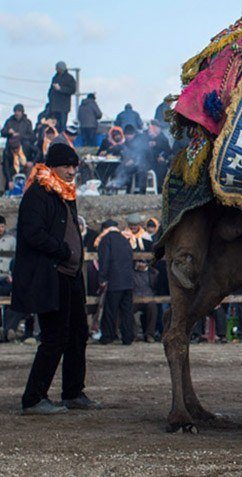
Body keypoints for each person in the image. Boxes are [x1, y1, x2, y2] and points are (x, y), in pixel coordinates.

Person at [13, 143, 101, 414]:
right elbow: (32, 233)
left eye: (74, 166)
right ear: (53, 166)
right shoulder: (38, 193)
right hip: (52, 275)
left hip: (70, 276)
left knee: (78, 334)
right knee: (54, 336)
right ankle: (33, 398)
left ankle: (73, 392)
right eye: (66, 166)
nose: (72, 171)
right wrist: (62, 250)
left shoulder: (65, 193)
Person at [97, 220, 135, 345]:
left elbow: (104, 260)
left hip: (114, 280)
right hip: (128, 281)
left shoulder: (106, 239)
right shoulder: (125, 239)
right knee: (127, 311)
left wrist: (102, 278)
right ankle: (128, 337)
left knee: (110, 310)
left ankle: (108, 336)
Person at [122, 214, 157, 342]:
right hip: (131, 273)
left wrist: (146, 265)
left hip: (145, 274)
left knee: (152, 306)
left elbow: (152, 255)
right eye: (131, 225)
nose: (133, 228)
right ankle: (132, 333)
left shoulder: (146, 238)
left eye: (135, 225)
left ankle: (149, 334)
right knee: (127, 307)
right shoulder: (124, 237)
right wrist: (134, 265)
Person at [48, 62, 76, 127]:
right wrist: (50, 97)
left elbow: (72, 90)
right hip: (54, 107)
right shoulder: (55, 77)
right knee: (54, 127)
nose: (56, 69)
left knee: (62, 126)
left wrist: (61, 89)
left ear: (61, 68)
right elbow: (51, 90)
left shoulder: (69, 78)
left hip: (63, 107)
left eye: (57, 68)